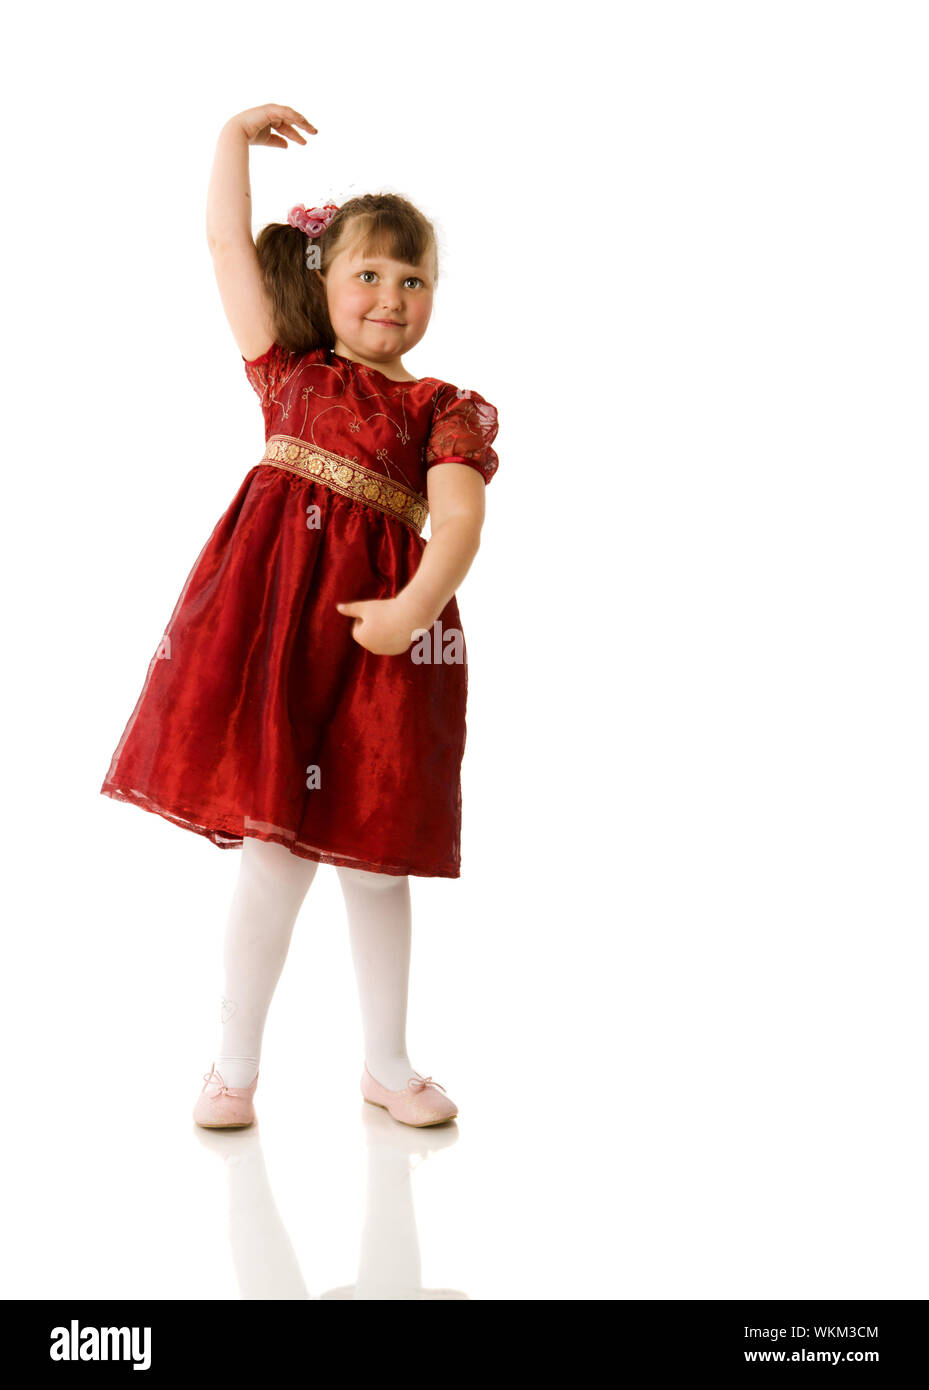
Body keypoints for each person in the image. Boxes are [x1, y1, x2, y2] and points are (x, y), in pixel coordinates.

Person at [98, 104, 500, 1130]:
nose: (392, 295)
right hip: (278, 632)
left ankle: (387, 1062)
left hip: (384, 644)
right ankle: (231, 1065)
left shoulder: (441, 409)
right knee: (273, 858)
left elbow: (457, 519)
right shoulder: (289, 369)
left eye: (413, 281)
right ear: (321, 281)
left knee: (374, 867)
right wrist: (229, 140)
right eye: (368, 273)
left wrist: (413, 604)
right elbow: (226, 242)